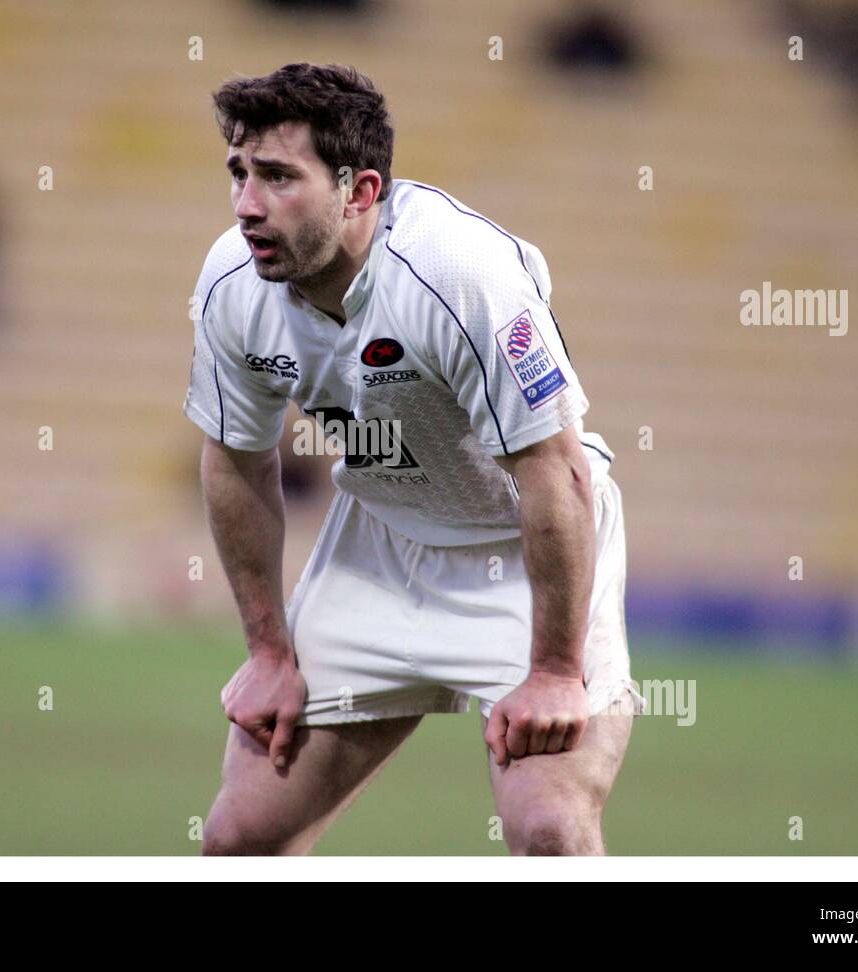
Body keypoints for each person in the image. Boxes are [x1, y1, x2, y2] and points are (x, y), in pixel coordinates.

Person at [183, 63, 646, 855]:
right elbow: (234, 461)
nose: (247, 205)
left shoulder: (457, 274)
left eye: (278, 177)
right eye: (239, 173)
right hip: (382, 542)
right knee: (237, 839)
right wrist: (268, 652)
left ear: (360, 192)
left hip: (525, 550)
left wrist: (555, 669)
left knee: (549, 831)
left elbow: (557, 474)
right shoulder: (233, 282)